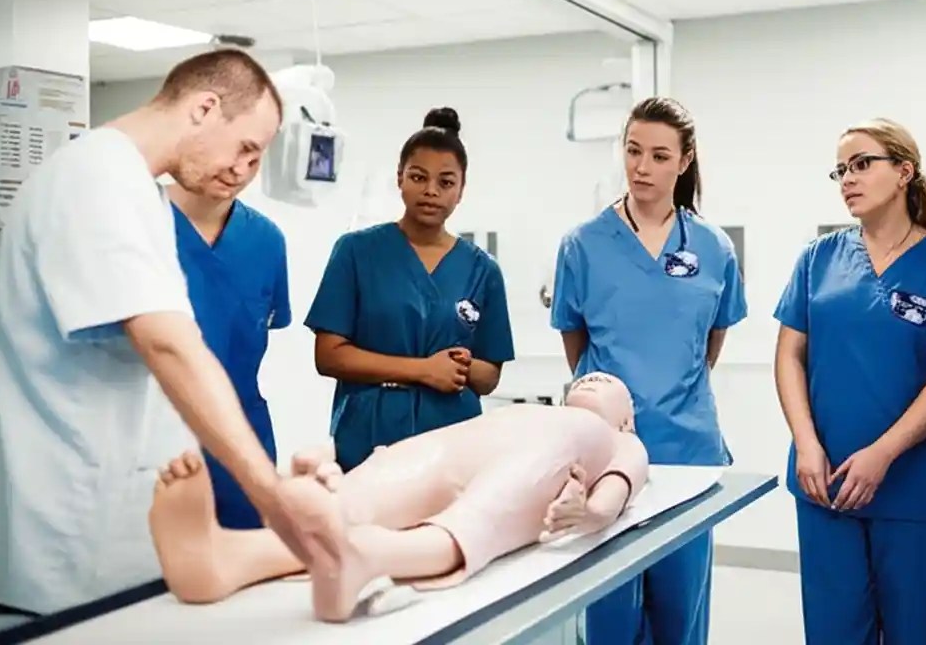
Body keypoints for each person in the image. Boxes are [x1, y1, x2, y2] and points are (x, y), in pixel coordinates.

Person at [0, 49, 323, 617]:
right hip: (70, 546)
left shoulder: (128, 186)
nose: (245, 168)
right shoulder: (96, 180)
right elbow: (168, 344)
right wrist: (275, 498)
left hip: (113, 536)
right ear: (205, 107)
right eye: (246, 145)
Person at [146, 371, 649, 624]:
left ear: (626, 419)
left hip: (551, 455)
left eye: (606, 385)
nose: (594, 379)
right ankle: (227, 559)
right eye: (585, 380)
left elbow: (614, 495)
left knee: (482, 513)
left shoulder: (618, 440)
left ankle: (369, 557)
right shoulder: (528, 411)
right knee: (371, 488)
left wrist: (587, 512)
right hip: (466, 439)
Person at [774, 118, 926, 645]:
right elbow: (789, 357)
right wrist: (805, 444)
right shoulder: (817, 259)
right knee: (833, 632)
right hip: (824, 483)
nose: (848, 177)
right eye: (841, 169)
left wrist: (883, 454)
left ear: (904, 172)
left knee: (916, 633)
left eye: (862, 164)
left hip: (913, 490)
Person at [550, 96, 747, 645]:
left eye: (659, 156)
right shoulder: (584, 245)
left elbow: (712, 339)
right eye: (633, 151)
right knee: (610, 613)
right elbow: (575, 340)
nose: (641, 167)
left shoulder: (712, 248)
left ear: (684, 162)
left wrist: (674, 392)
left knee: (680, 613)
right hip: (605, 449)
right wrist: (608, 408)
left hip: (686, 453)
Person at [305, 107, 515, 473]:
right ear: (400, 177)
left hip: (452, 440)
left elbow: (490, 375)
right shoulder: (356, 252)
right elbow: (329, 356)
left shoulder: (483, 270)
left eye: (446, 182)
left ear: (461, 190)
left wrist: (461, 368)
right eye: (419, 177)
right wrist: (422, 370)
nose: (431, 191)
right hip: (369, 437)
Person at [167, 149, 291, 530]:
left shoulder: (267, 241)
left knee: (251, 576)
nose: (239, 168)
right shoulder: (140, 226)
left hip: (244, 438)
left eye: (254, 155)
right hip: (162, 443)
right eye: (234, 148)